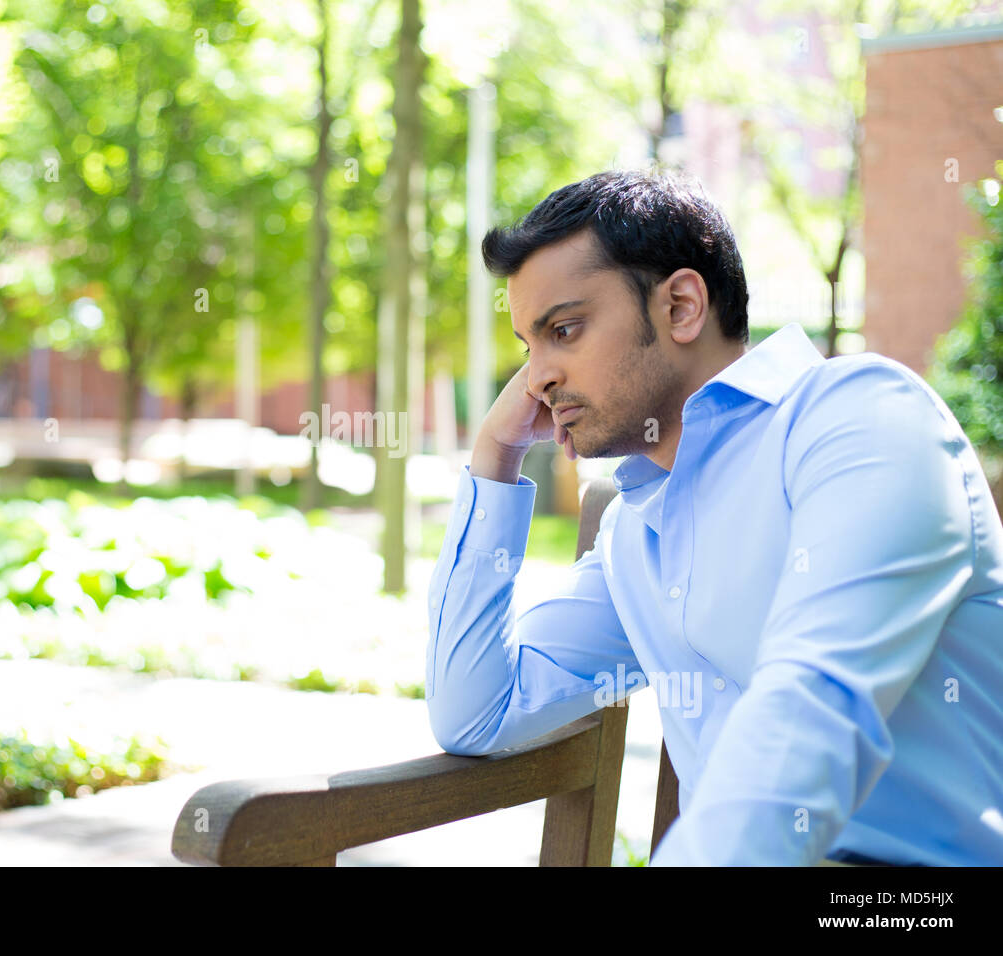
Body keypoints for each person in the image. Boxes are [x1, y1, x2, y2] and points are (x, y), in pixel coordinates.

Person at [425, 166, 1003, 866]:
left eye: (564, 330)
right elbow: (477, 713)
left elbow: (810, 719)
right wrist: (496, 455)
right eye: (528, 346)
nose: (536, 378)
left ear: (681, 307)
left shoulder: (862, 418)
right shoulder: (636, 536)